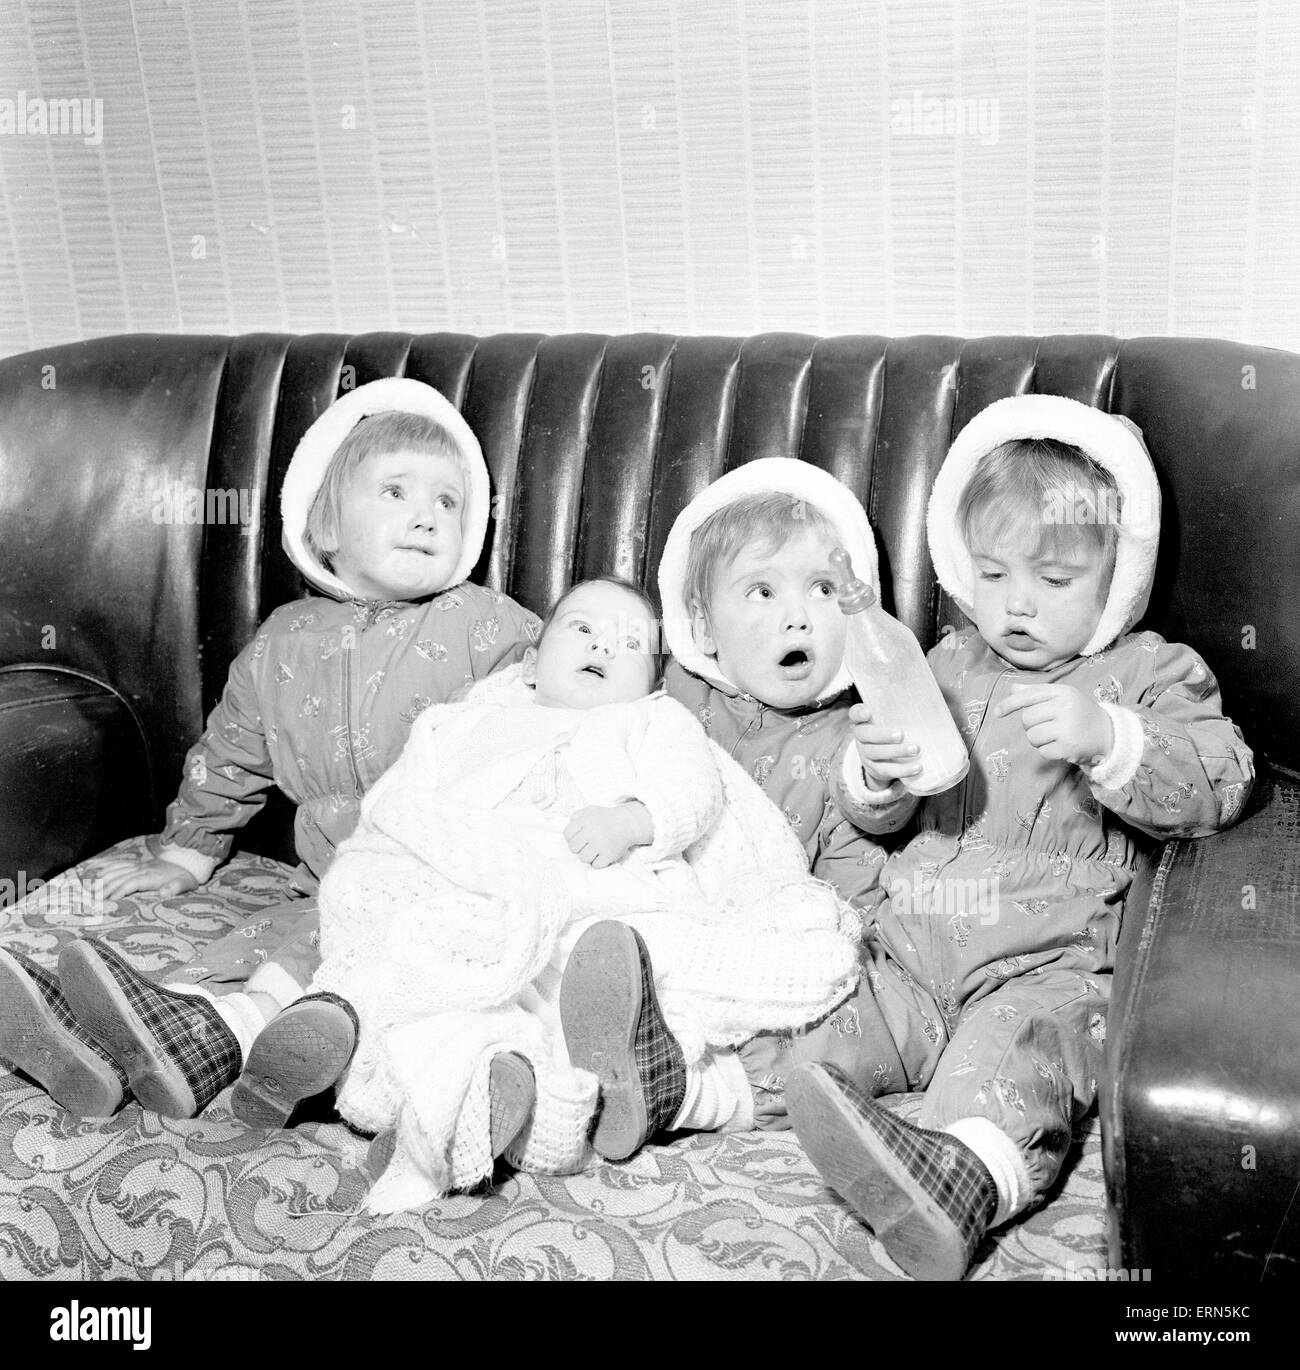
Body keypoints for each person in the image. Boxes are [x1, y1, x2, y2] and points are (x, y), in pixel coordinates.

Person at [778, 394, 1255, 1280]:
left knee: (1014, 1060)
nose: (1017, 606)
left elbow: (1221, 777)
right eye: (993, 576)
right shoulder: (947, 661)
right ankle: (683, 1082)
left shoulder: (1147, 670)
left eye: (1054, 580)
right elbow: (883, 810)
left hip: (1048, 962)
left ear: (1116, 575)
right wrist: (874, 777)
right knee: (811, 1041)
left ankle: (964, 1179)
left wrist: (1110, 738)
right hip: (911, 958)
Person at [0, 378, 538, 1120]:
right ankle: (100, 1045)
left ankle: (201, 1038)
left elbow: (556, 725)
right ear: (324, 526)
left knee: (329, 957)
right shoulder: (284, 639)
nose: (426, 516)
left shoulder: (490, 625)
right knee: (268, 949)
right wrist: (188, 850)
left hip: (449, 869)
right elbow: (230, 754)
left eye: (449, 502)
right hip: (333, 877)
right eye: (396, 492)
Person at [267, 575, 857, 1211]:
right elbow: (403, 804)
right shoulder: (471, 720)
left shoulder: (653, 719)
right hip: (471, 885)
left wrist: (634, 818)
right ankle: (407, 1074)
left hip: (589, 897)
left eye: (632, 643)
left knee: (570, 995)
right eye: (583, 629)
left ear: (653, 680)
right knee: (418, 964)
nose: (605, 647)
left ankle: (487, 1092)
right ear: (529, 664)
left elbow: (696, 791)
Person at [554, 457, 907, 1154]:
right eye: (761, 591)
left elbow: (859, 869)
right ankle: (550, 1064)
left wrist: (881, 780)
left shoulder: (857, 736)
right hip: (656, 913)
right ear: (704, 629)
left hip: (769, 953)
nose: (797, 615)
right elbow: (581, 726)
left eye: (824, 589)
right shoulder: (670, 699)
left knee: (851, 1021)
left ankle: (689, 1092)